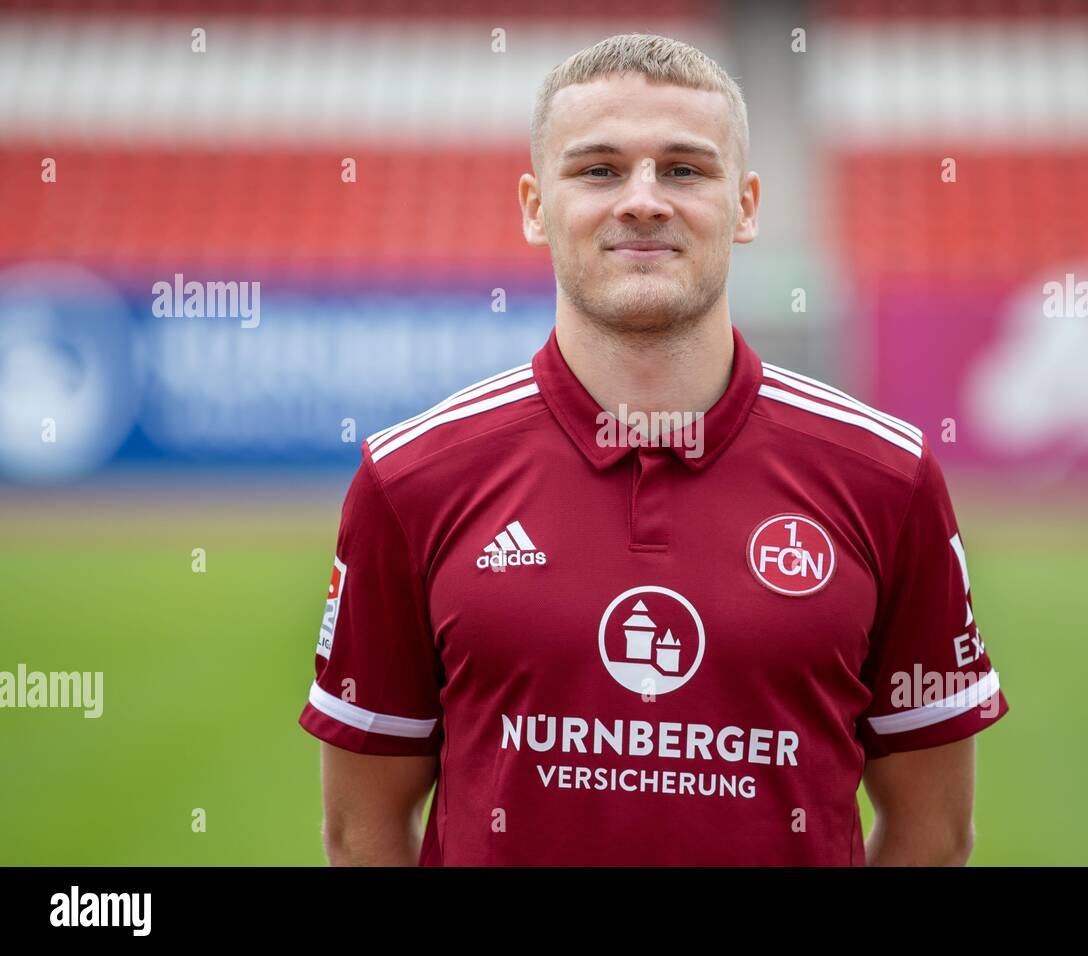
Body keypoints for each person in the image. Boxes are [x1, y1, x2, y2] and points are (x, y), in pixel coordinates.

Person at [299, 32, 1008, 866]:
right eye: (598, 169)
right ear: (535, 205)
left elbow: (934, 831)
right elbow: (362, 831)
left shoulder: (887, 477)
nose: (642, 200)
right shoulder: (410, 479)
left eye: (684, 169)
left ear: (745, 206)